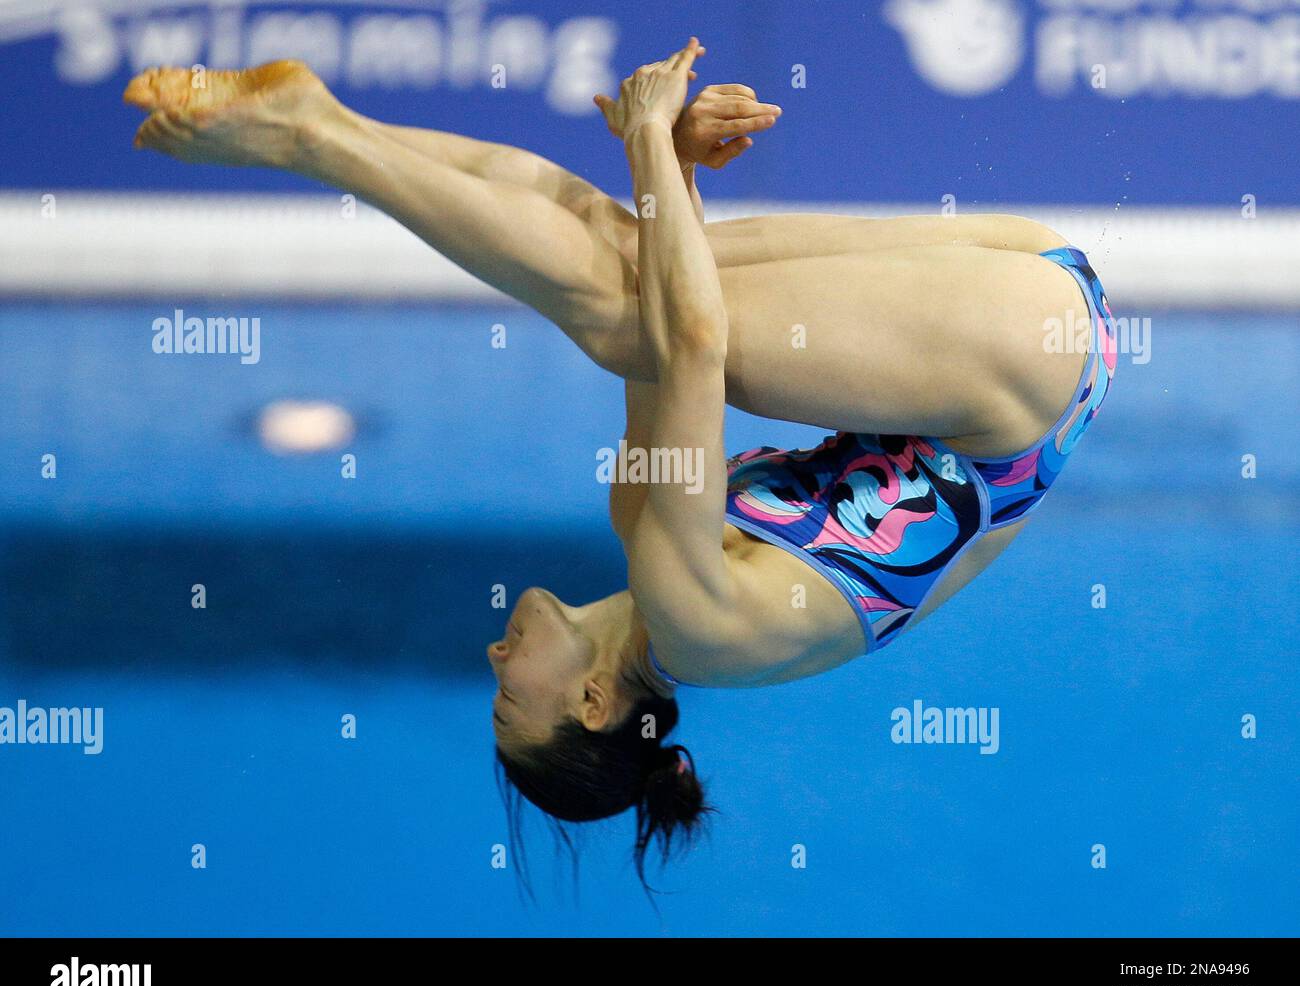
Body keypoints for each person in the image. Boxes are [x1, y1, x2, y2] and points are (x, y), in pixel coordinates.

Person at [124, 39, 1116, 888]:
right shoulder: (696, 622)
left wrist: (675, 163)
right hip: (1027, 364)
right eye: (513, 695)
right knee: (615, 312)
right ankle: (312, 138)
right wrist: (646, 135)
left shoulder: (636, 524)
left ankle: (327, 116)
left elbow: (660, 293)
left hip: (1031, 308)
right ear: (594, 703)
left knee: (614, 256)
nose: (493, 659)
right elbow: (689, 343)